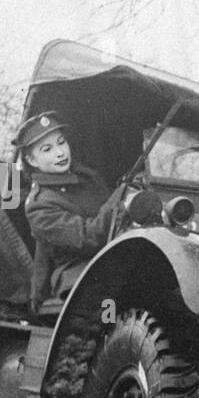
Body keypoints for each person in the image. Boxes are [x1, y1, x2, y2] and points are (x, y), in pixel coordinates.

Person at [16, 111, 127, 313]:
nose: (60, 153)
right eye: (47, 149)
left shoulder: (86, 177)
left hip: (108, 261)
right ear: (32, 160)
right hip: (77, 273)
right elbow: (89, 237)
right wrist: (121, 197)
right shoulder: (39, 206)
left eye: (61, 142)